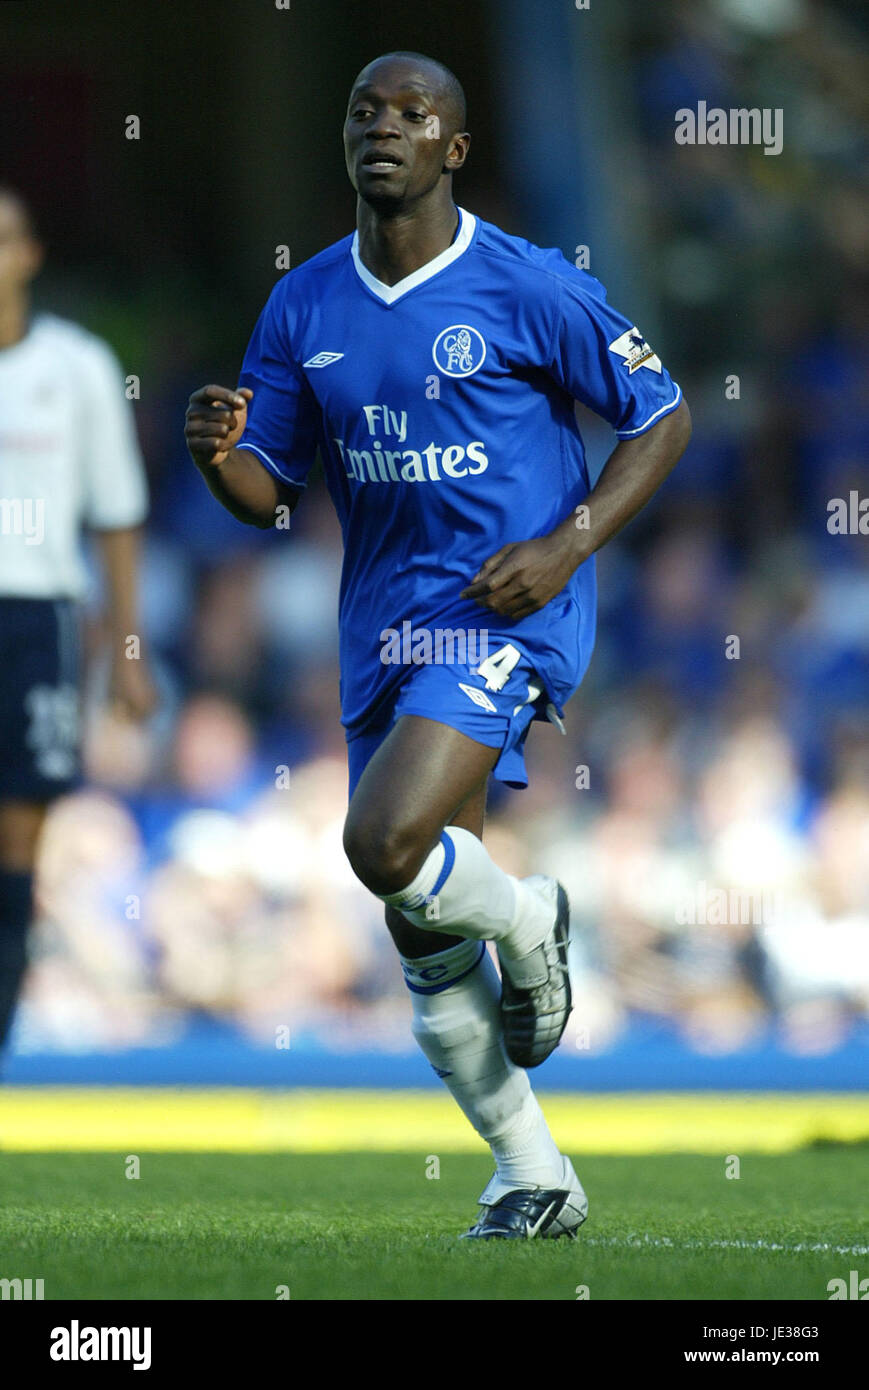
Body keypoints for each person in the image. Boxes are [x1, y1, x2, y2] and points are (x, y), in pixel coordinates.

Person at [184, 52, 691, 1239]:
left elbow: (660, 413)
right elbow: (273, 496)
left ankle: (530, 920)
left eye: (413, 114)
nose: (384, 127)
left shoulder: (525, 285)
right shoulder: (302, 302)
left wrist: (566, 547)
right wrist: (221, 461)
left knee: (381, 839)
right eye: (364, 109)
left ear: (452, 149)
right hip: (383, 626)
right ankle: (534, 1172)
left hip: (505, 608)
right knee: (421, 932)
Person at [0, 187, 154, 1055]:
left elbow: (116, 514)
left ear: (29, 255)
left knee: (20, 835)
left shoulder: (78, 366)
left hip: (36, 615)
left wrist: (128, 653)